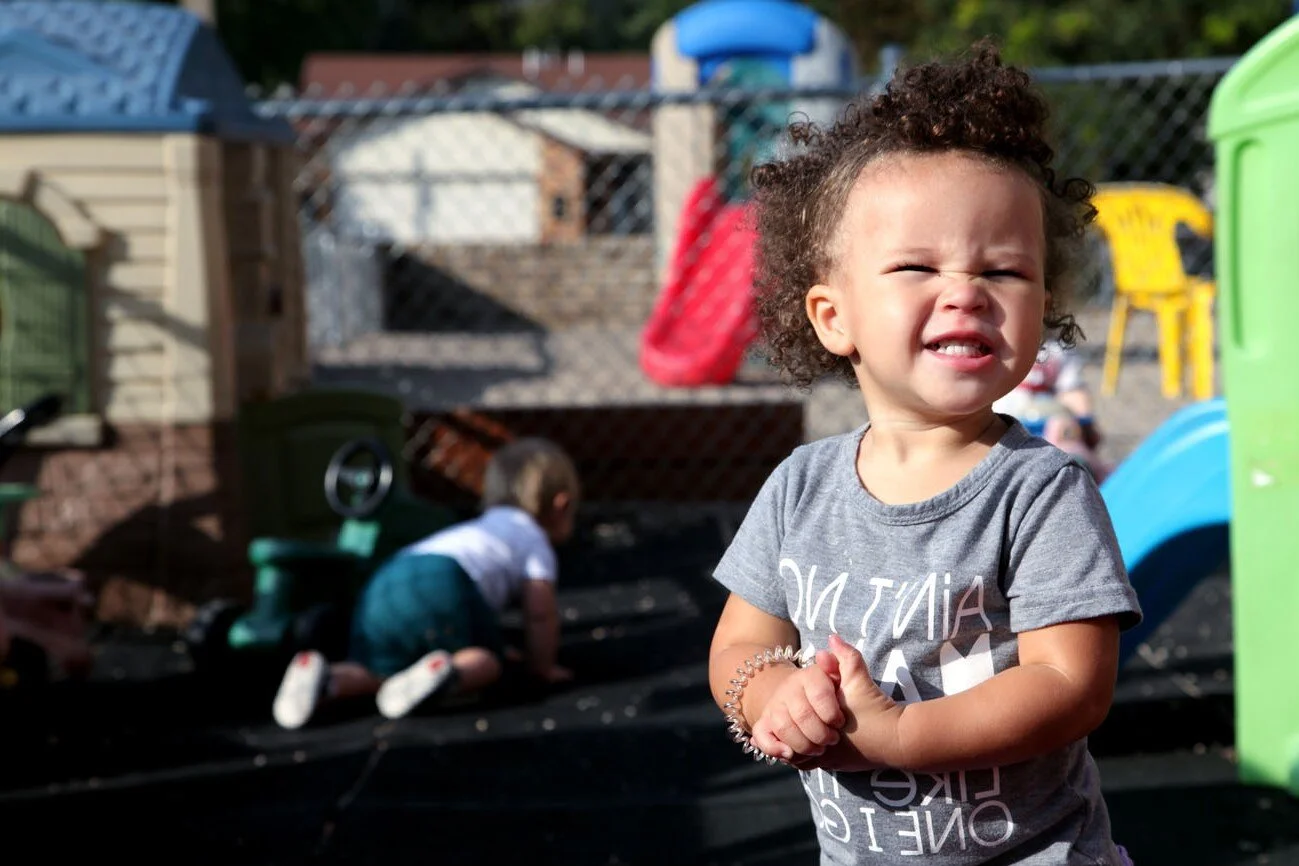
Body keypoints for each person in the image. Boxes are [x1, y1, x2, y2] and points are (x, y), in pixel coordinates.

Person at [707, 41, 1142, 865]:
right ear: (832, 317)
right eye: (915, 265)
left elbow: (1069, 685)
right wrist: (771, 697)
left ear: (1041, 304)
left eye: (1005, 271)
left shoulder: (1037, 491)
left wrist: (902, 734)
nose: (966, 291)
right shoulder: (801, 488)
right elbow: (736, 647)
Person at [272, 437, 580, 729]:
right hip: (444, 577)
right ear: (561, 505)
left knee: (374, 669)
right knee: (486, 659)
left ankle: (326, 678)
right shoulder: (533, 538)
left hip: (389, 577)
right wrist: (542, 667)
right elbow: (539, 613)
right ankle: (447, 674)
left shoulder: (477, 528)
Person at [993, 339, 1109, 480]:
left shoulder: (1057, 350)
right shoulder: (997, 345)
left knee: (1071, 448)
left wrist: (1085, 423)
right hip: (1006, 427)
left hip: (1049, 427)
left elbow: (1073, 393)